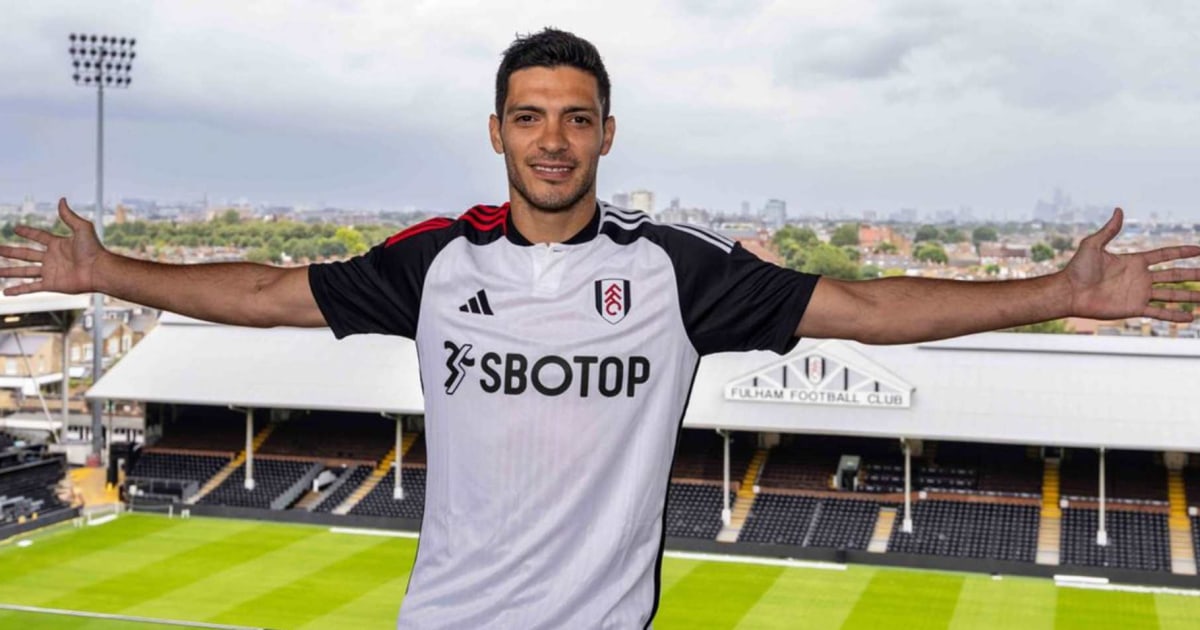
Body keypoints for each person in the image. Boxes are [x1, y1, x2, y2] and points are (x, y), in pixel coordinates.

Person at [2, 27, 1197, 630]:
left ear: (608, 135)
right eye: (531, 117)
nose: (554, 140)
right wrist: (112, 269)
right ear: (498, 132)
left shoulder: (676, 270)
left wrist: (1054, 294)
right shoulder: (436, 261)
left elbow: (871, 306)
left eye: (577, 118)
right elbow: (268, 295)